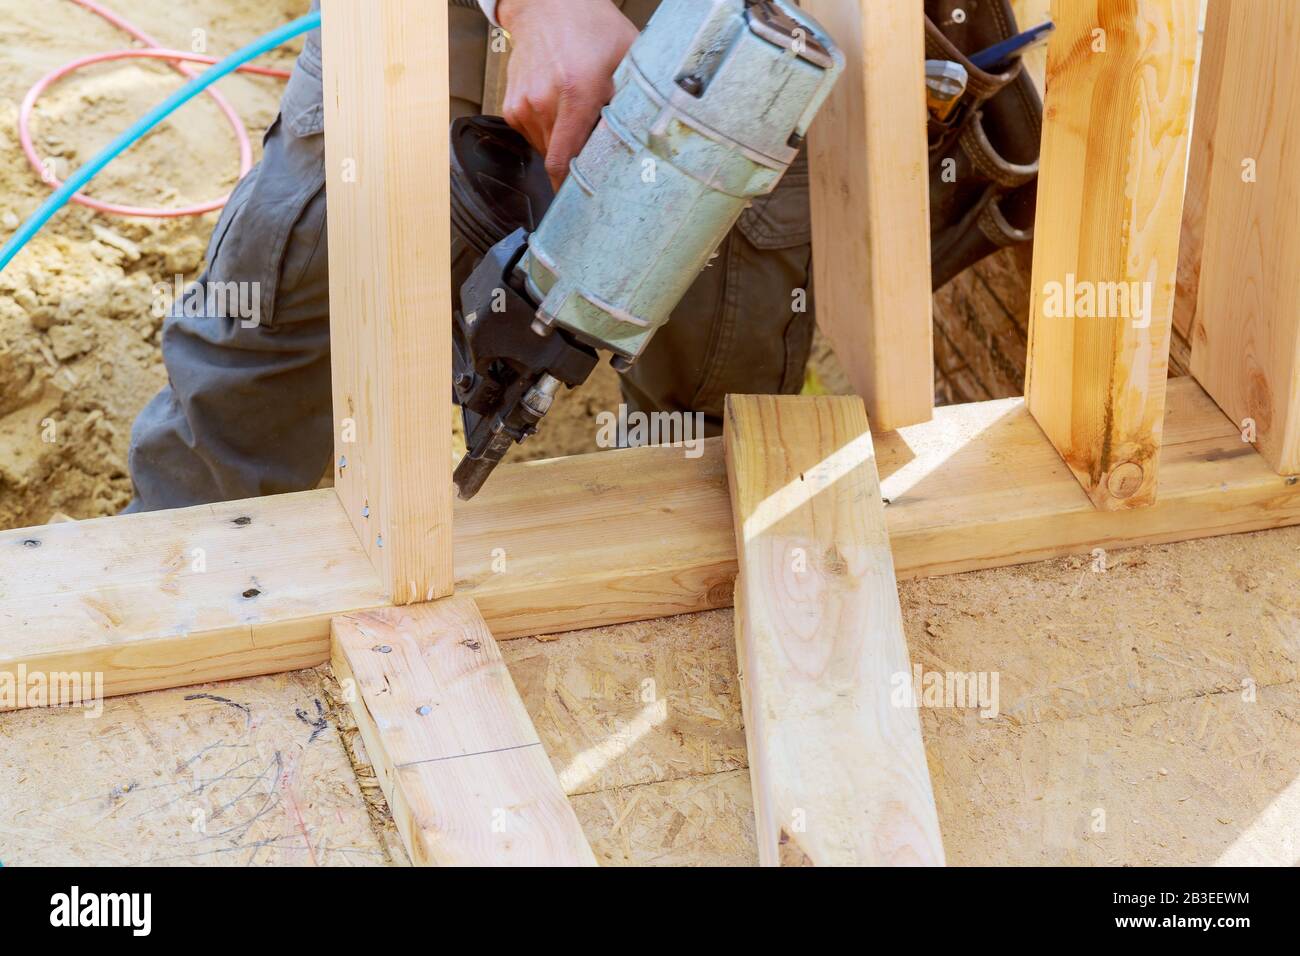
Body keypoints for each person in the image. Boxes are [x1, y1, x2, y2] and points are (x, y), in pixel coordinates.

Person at [124, 0, 816, 512]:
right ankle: (170, 599)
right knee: (275, 339)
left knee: (704, 417)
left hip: (755, 51)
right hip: (425, 23)